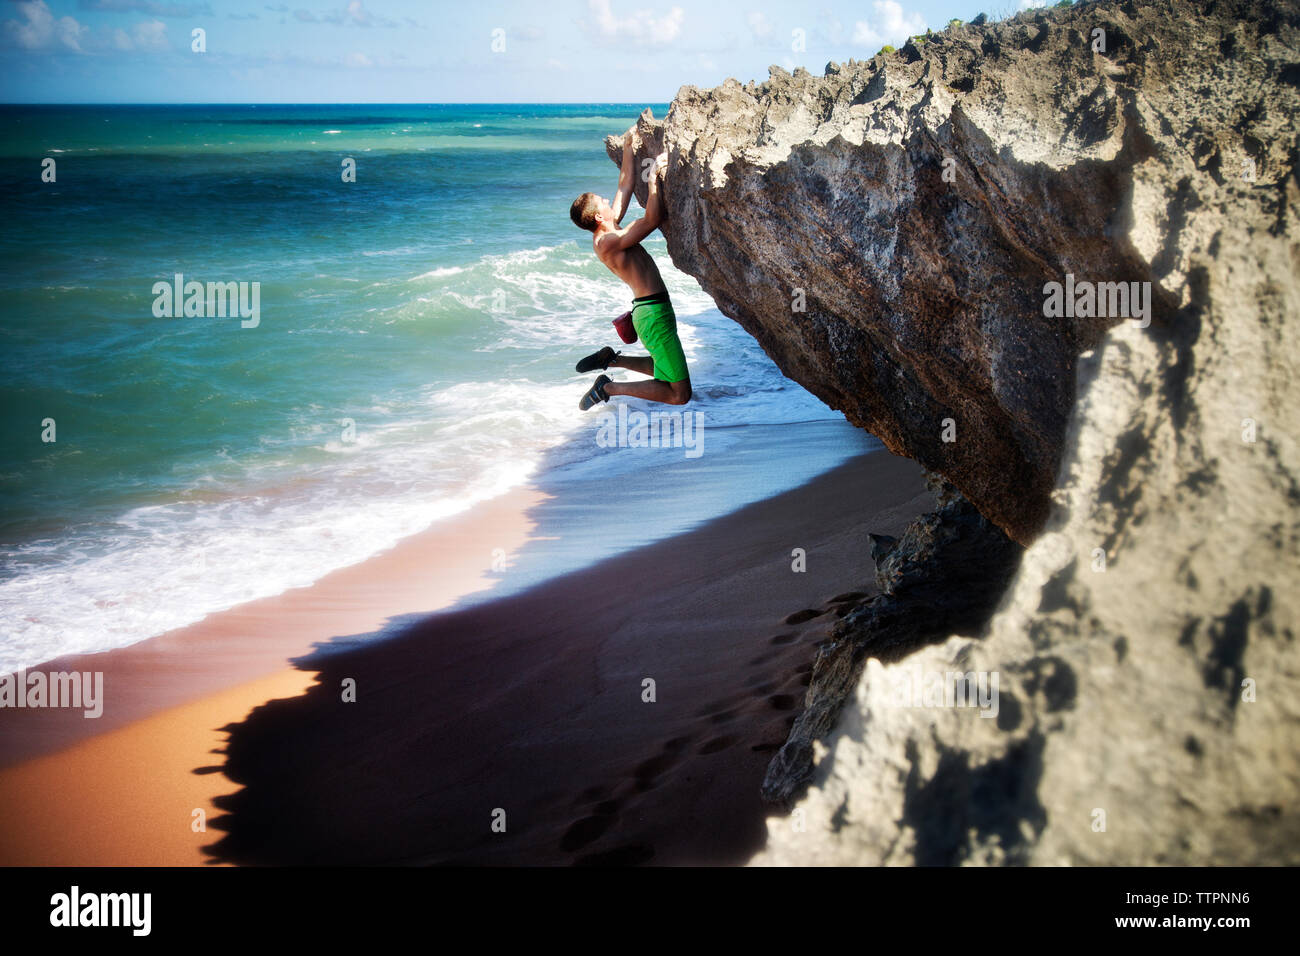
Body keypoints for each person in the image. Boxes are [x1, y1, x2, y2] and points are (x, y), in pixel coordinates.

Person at [568, 133, 691, 410]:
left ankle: (612, 359)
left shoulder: (609, 229)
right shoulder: (607, 241)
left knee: (663, 366)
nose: (607, 201)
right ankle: (608, 387)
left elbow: (624, 184)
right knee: (679, 393)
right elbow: (652, 219)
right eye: (602, 202)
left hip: (650, 310)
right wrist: (654, 178)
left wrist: (627, 147)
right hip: (653, 314)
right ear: (599, 217)